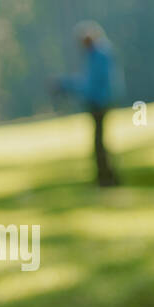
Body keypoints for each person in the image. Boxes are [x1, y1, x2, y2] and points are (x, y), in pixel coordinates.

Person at [51, 21, 123, 187]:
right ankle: (106, 176)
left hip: (99, 103)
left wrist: (65, 85)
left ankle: (107, 178)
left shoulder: (99, 54)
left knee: (99, 143)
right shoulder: (100, 53)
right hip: (100, 102)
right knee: (100, 141)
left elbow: (89, 84)